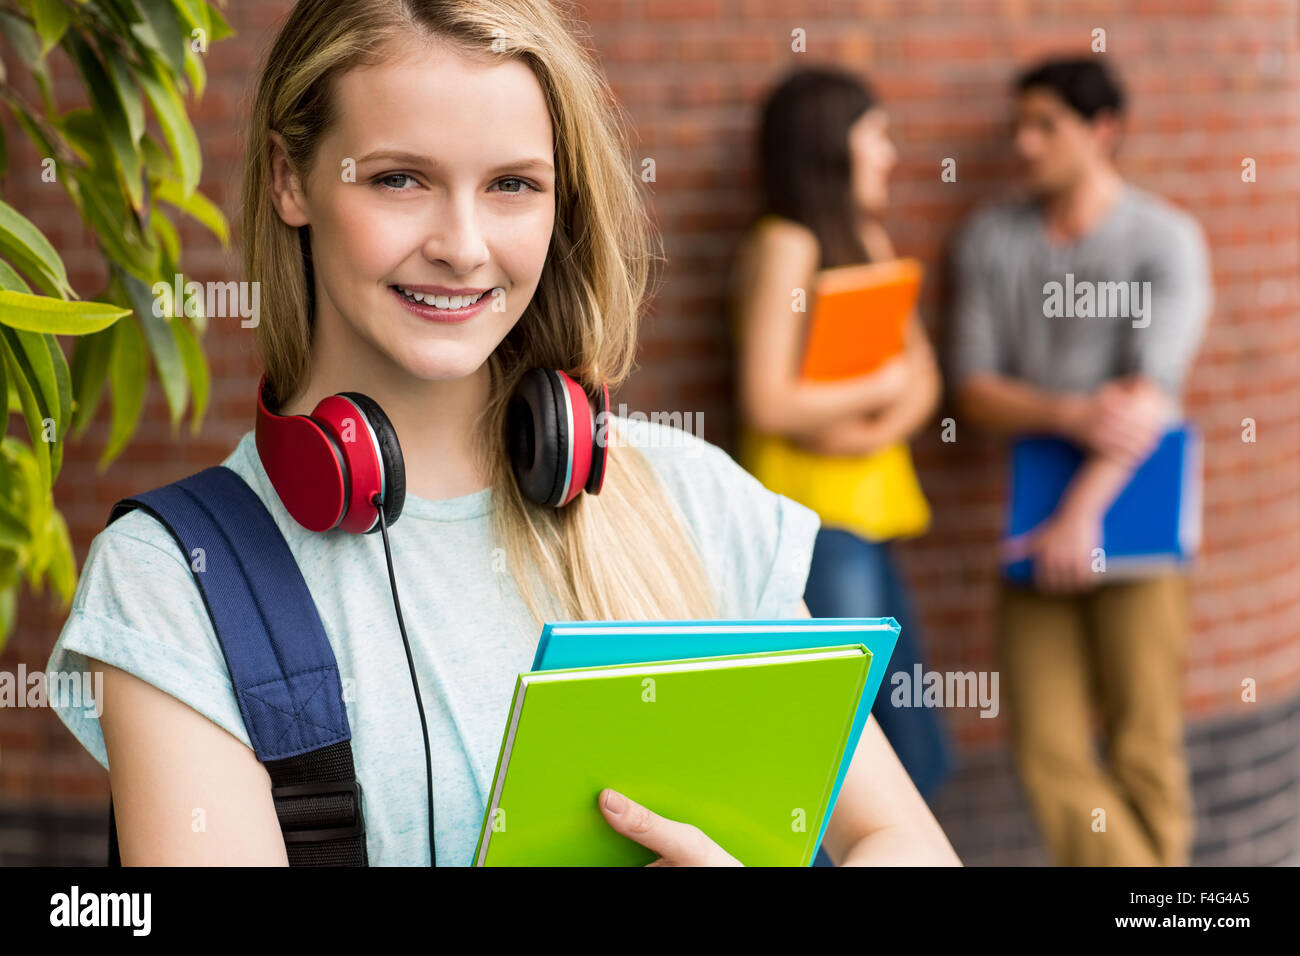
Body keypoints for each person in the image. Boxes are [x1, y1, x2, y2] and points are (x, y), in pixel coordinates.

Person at [45, 0, 959, 867]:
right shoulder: (178, 578)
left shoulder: (689, 498)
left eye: (513, 185)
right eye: (401, 179)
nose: (464, 245)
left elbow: (904, 839)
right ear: (291, 179)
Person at [948, 56, 1211, 865]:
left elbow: (1149, 397)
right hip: (1034, 525)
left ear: (1104, 132)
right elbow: (974, 389)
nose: (1023, 145)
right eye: (1018, 127)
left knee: (1143, 746)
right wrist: (1067, 410)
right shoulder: (990, 238)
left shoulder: (1165, 239)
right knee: (1048, 751)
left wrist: (1080, 516)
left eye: (1045, 127)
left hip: (1136, 517)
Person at [729, 65, 955, 867]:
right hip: (817, 527)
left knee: (912, 745)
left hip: (871, 512)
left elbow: (922, 374)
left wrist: (866, 427)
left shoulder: (867, 238)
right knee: (841, 756)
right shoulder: (788, 243)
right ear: (833, 147)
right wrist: (880, 391)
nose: (891, 155)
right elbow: (767, 399)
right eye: (878, 137)